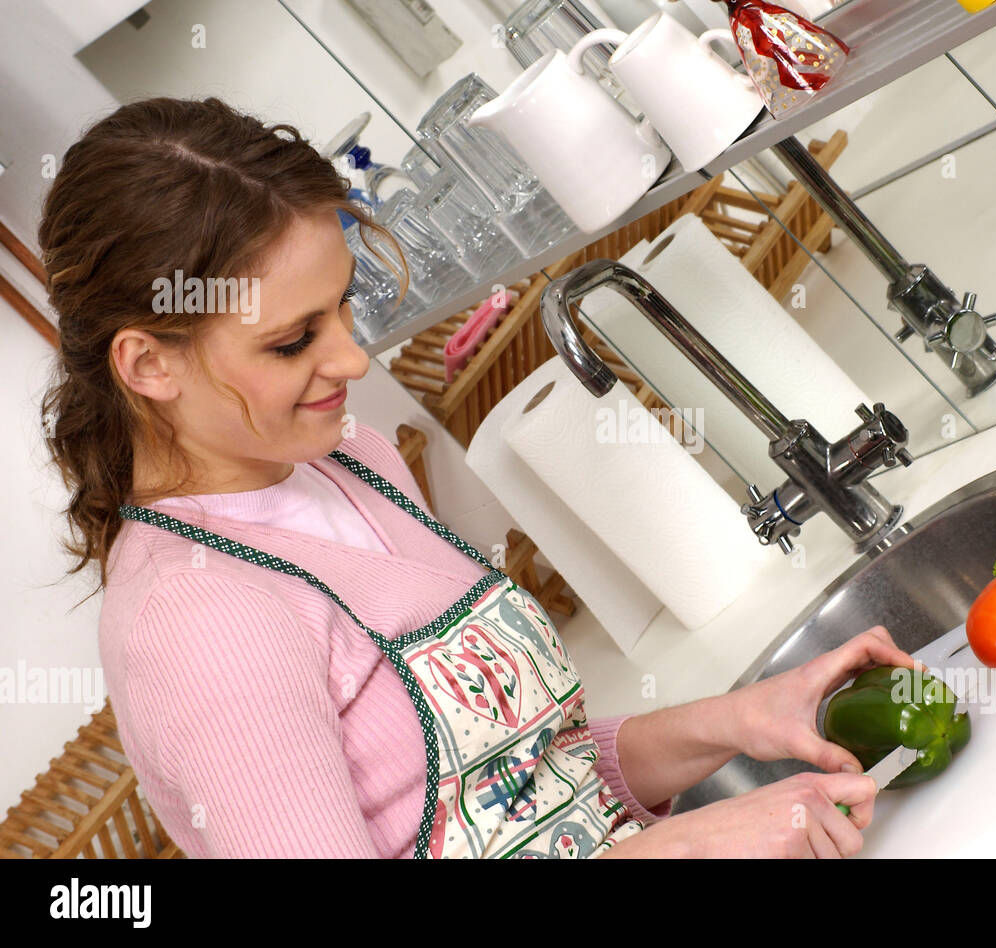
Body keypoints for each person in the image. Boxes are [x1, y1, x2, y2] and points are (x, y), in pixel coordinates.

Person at [39, 96, 916, 858]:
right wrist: (680, 846)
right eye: (293, 340)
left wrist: (734, 720)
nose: (351, 358)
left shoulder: (353, 462)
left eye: (343, 305)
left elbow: (528, 789)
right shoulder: (193, 619)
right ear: (149, 364)